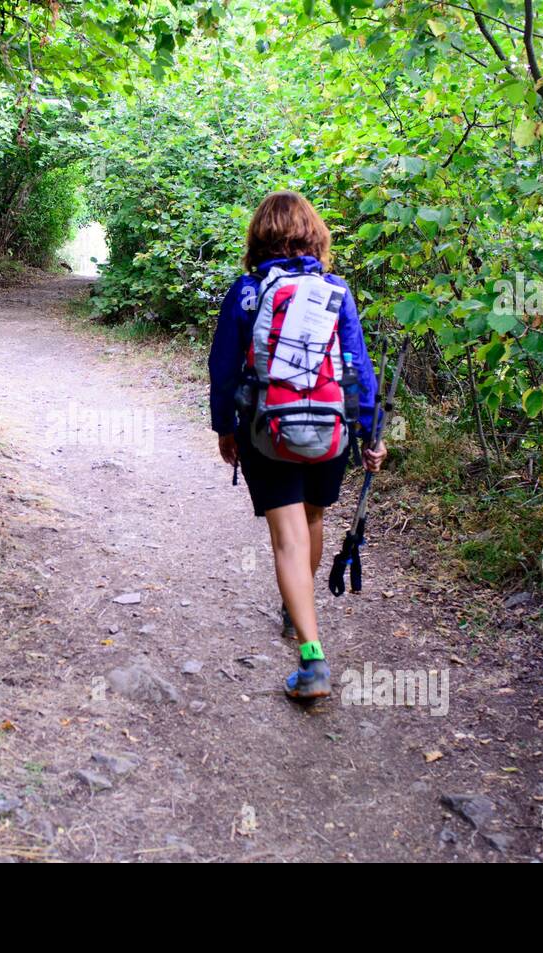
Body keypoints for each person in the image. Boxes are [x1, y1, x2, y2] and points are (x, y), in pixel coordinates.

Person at [208, 190, 386, 699]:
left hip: (268, 431)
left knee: (287, 538)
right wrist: (371, 436)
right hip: (330, 432)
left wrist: (225, 428)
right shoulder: (336, 290)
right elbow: (359, 369)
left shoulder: (246, 291)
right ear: (313, 234)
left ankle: (312, 660)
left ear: (259, 236)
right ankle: (297, 607)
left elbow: (223, 369)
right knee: (312, 521)